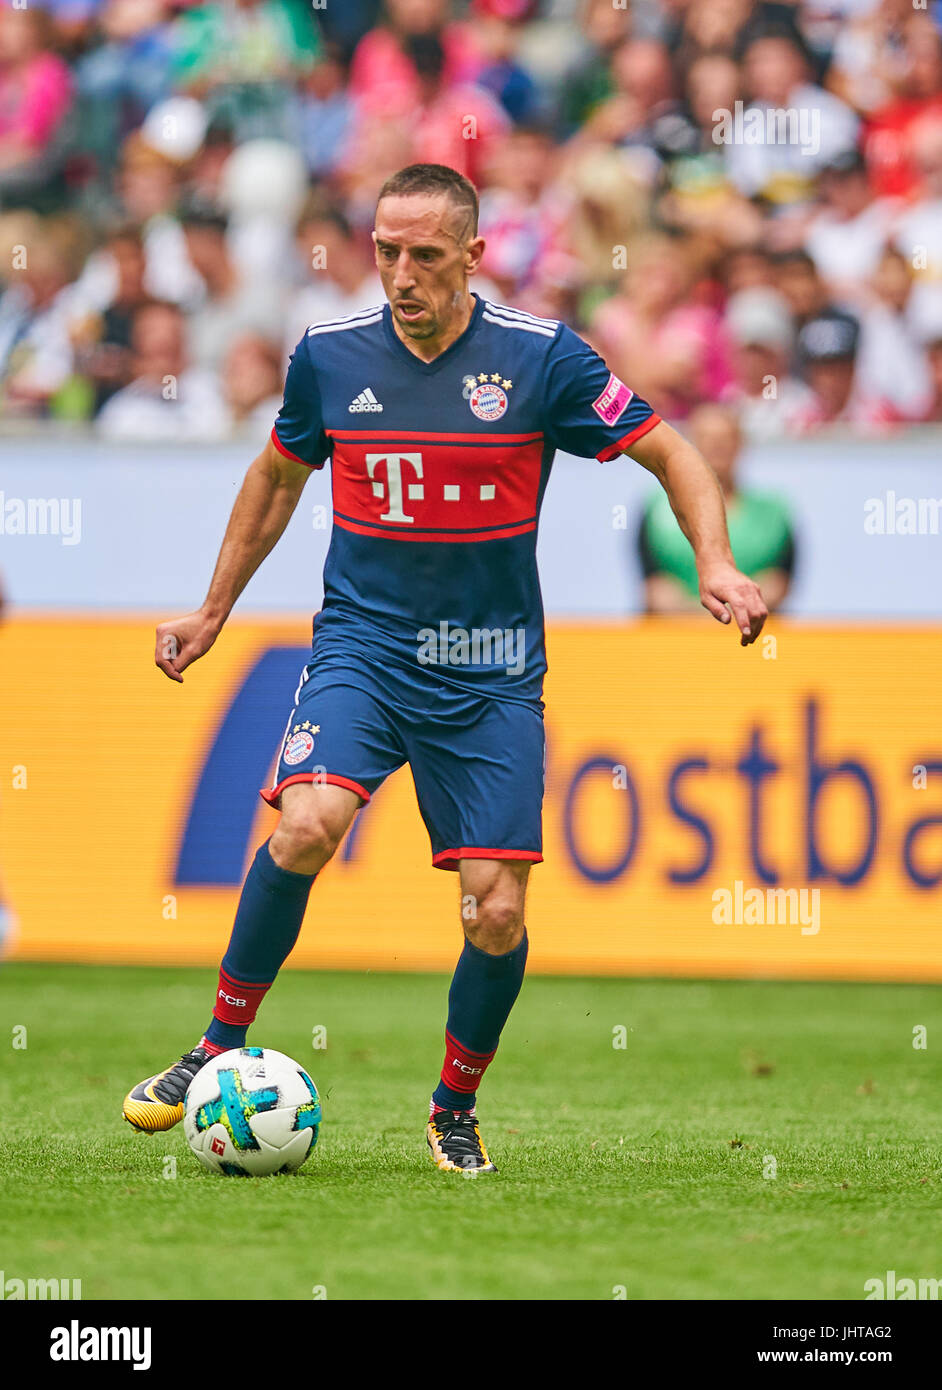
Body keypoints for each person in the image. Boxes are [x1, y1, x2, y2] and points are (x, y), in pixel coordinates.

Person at [122, 163, 767, 1175]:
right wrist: (212, 610)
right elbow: (275, 478)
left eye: (426, 254)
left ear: (472, 254)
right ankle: (215, 1044)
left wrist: (715, 563)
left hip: (491, 673)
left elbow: (675, 452)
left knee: (496, 909)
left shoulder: (541, 358)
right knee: (304, 825)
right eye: (386, 251)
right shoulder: (330, 359)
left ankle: (452, 1105)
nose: (402, 273)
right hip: (364, 651)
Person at [638, 403, 795, 615]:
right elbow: (654, 586)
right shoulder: (657, 510)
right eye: (707, 440)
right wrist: (709, 619)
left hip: (750, 637)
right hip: (674, 636)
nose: (717, 448)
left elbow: (779, 583)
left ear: (740, 444)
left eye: (725, 440)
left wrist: (728, 617)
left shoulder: (773, 512)